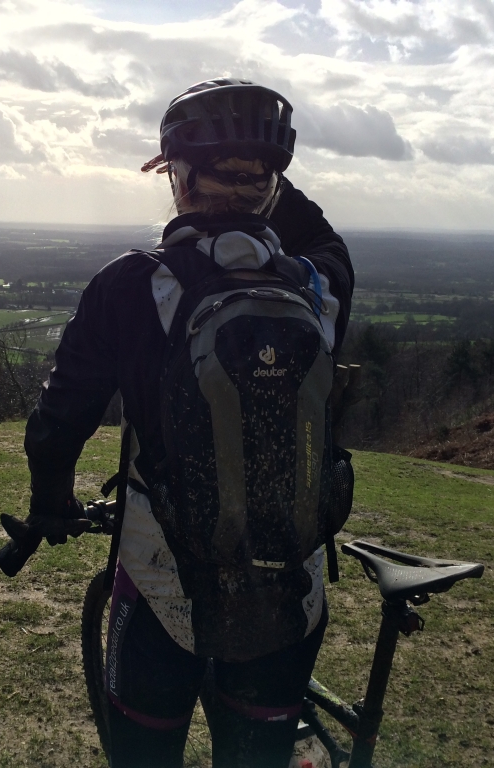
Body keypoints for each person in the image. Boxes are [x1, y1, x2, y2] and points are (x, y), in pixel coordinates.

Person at [21, 78, 354, 767]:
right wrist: (260, 168)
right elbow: (321, 234)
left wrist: (50, 503)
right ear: (274, 184)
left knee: (144, 752)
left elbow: (57, 422)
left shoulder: (129, 285)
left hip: (160, 580)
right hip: (292, 587)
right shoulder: (322, 287)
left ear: (176, 178)